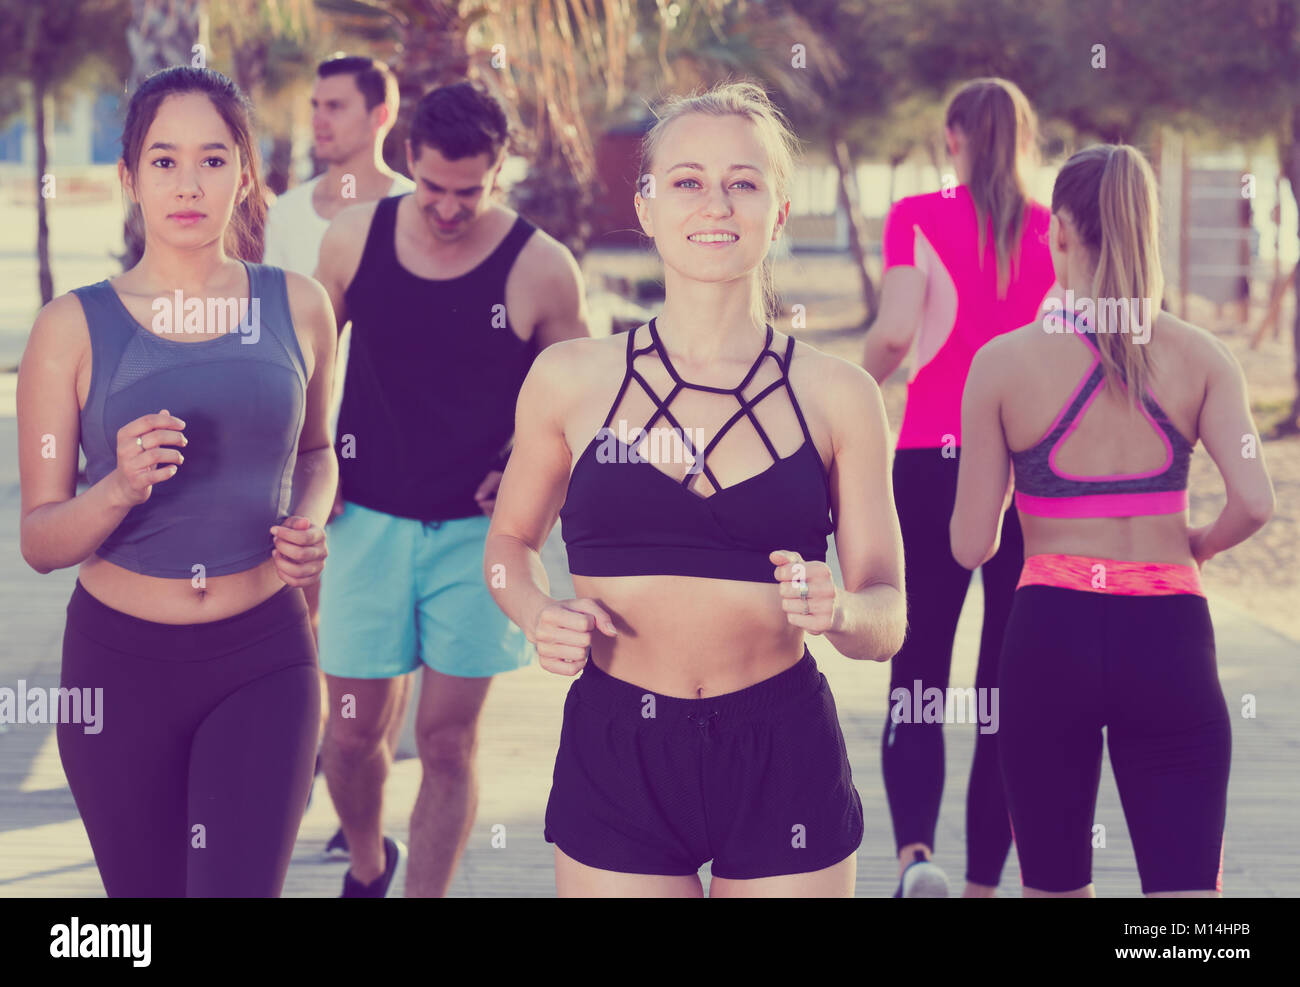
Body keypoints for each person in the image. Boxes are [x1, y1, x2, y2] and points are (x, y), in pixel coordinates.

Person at [485, 81, 906, 899]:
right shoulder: (569, 378)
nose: (716, 202)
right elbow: (506, 547)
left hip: (783, 747)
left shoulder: (841, 394)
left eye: (744, 182)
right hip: (619, 744)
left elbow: (887, 612)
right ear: (645, 205)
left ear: (778, 210)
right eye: (686, 180)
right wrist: (539, 615)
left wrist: (843, 611)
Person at [15, 66, 337, 897]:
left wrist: (308, 519)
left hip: (265, 655)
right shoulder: (70, 327)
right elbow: (41, 541)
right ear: (128, 178)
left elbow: (319, 451)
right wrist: (118, 486)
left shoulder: (301, 307)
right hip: (119, 669)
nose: (188, 185)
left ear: (245, 172)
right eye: (163, 162)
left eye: (212, 159)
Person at [951, 143, 1275, 897]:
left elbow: (972, 543)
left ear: (1060, 231)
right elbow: (1256, 502)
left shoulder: (1001, 364)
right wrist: (1196, 545)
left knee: (1055, 887)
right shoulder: (1202, 357)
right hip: (1168, 636)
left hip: (1049, 634)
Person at [312, 80, 589, 897]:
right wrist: (310, 457)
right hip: (364, 519)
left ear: (498, 171)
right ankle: (368, 865)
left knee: (444, 741)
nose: (446, 205)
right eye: (432, 186)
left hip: (480, 537)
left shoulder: (542, 268)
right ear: (409, 161)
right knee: (354, 736)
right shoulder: (352, 239)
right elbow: (305, 366)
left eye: (468, 191)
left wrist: (528, 469)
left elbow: (572, 404)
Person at [862, 77, 1055, 897]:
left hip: (933, 458)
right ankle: (980, 883)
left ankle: (914, 859)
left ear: (952, 137)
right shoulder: (1057, 228)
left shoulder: (918, 214)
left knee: (919, 670)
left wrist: (841, 393)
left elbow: (899, 330)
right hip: (1029, 468)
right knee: (1004, 691)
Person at [263, 53, 417, 861]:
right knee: (300, 615)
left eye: (335, 106)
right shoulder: (286, 213)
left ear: (380, 115)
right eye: (314, 104)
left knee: (369, 634)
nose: (319, 119)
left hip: (390, 459)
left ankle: (355, 801)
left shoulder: (416, 208)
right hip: (301, 448)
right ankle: (314, 775)